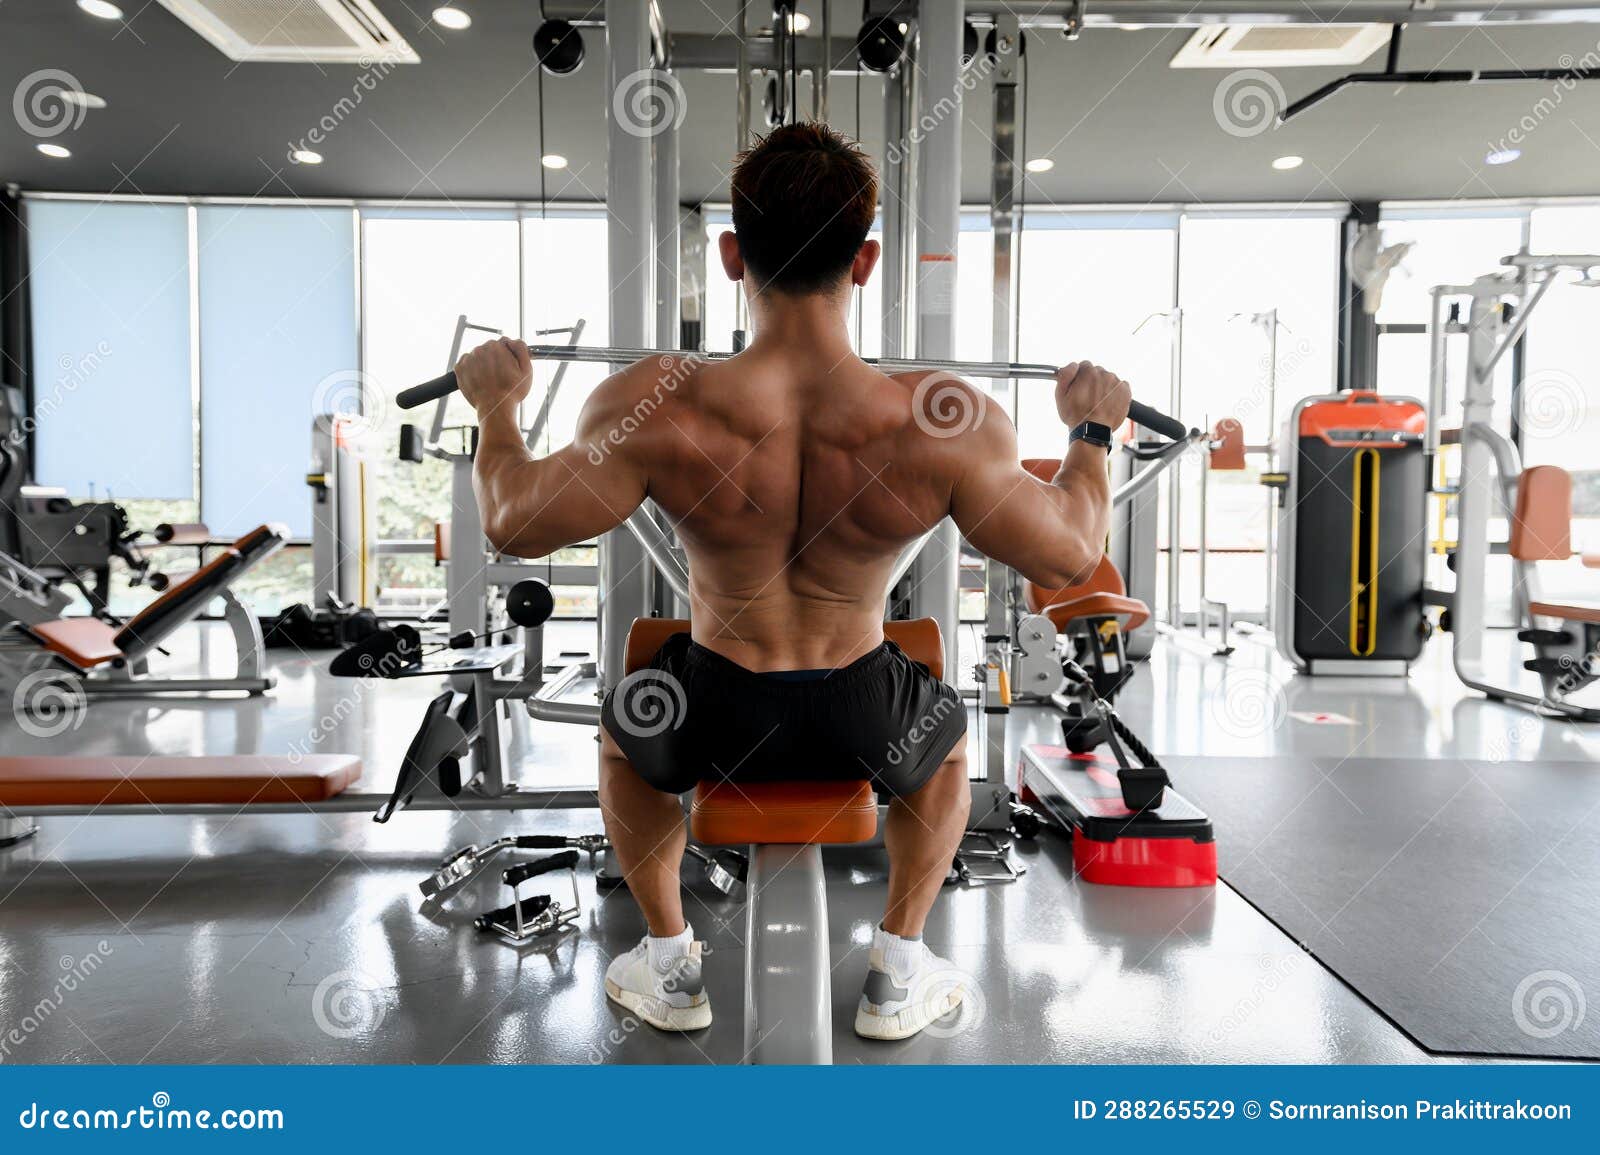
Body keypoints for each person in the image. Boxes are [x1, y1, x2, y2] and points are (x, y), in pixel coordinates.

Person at [454, 123, 1132, 1041]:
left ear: (734, 255)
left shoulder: (658, 400)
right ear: (866, 262)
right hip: (861, 704)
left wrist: (498, 406)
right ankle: (898, 966)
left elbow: (515, 521)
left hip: (712, 701)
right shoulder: (944, 417)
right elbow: (1068, 554)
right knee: (943, 751)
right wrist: (1091, 432)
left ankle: (667, 959)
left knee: (625, 736)